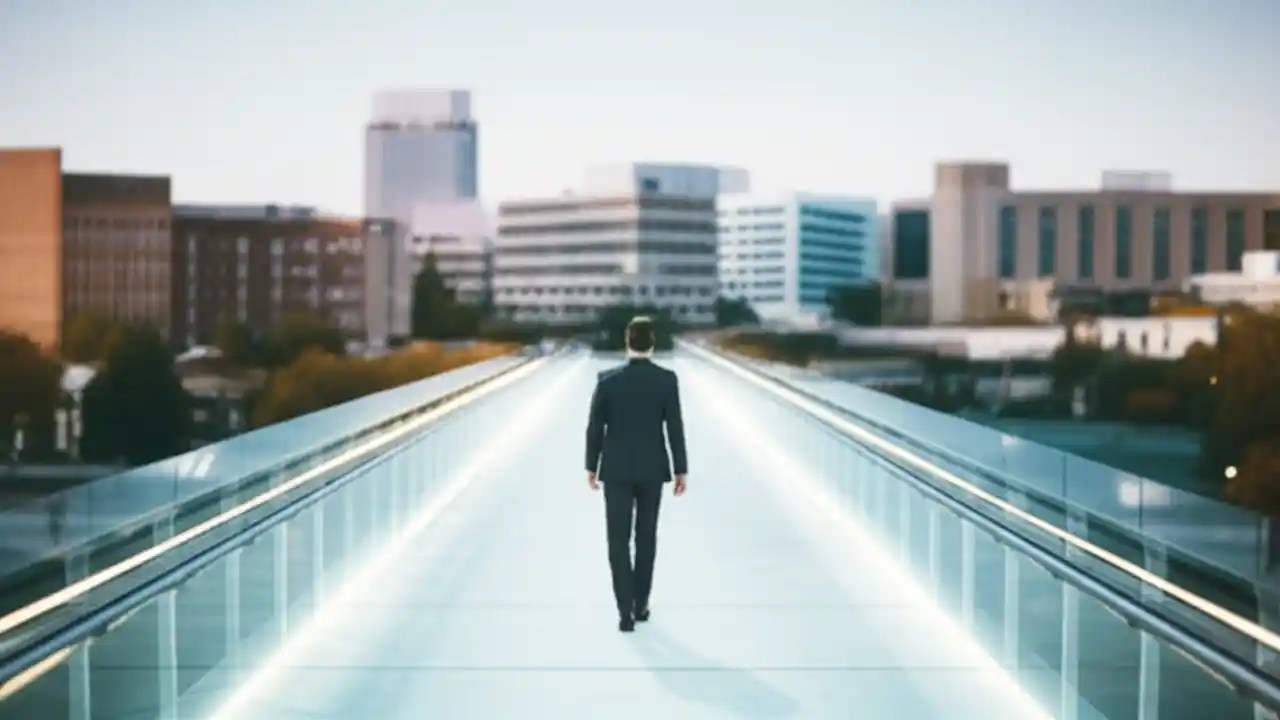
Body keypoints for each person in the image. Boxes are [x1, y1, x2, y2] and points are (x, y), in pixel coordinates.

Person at [585, 316, 688, 632]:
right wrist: (680, 468)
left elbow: (594, 428)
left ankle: (624, 610)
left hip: (615, 470)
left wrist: (591, 465)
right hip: (652, 469)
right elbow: (674, 427)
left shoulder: (607, 380)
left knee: (617, 540)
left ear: (627, 342)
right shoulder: (666, 380)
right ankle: (642, 603)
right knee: (646, 538)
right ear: (652, 343)